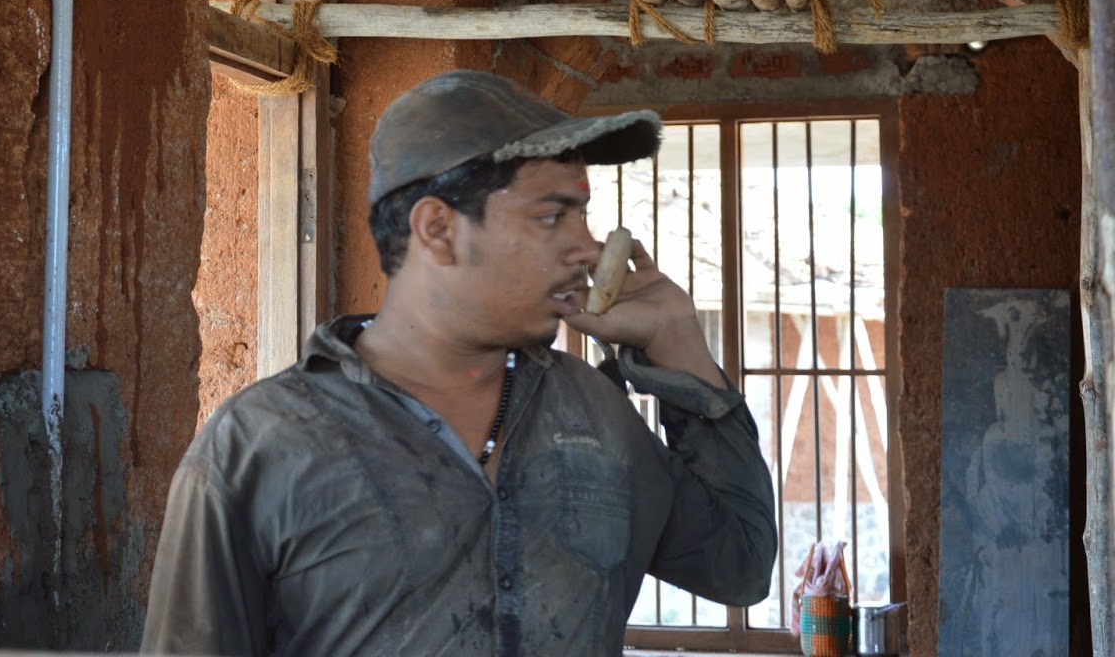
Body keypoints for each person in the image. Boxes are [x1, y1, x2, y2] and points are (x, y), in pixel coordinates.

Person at [141, 70, 777, 655]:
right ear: (438, 229)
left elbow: (740, 566)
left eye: (581, 217)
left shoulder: (596, 415)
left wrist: (680, 348)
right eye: (553, 216)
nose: (586, 248)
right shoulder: (261, 445)